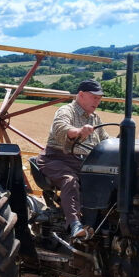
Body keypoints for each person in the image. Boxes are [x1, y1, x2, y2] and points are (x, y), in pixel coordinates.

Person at [37, 79, 110, 239]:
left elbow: (106, 140)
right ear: (81, 95)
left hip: (83, 163)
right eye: (94, 97)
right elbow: (61, 128)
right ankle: (74, 224)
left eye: (99, 98)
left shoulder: (95, 118)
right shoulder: (66, 110)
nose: (97, 101)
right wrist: (78, 131)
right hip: (56, 158)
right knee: (69, 180)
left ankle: (102, 224)